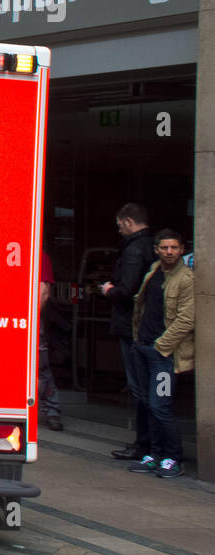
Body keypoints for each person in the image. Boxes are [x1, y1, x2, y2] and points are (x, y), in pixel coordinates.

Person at [127, 230, 194, 479]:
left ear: (181, 249)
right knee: (147, 403)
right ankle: (154, 456)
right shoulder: (154, 270)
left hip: (162, 356)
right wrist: (139, 341)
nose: (169, 252)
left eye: (174, 248)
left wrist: (161, 345)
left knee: (160, 405)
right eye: (164, 248)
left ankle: (174, 458)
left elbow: (187, 319)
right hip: (142, 349)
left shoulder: (186, 279)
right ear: (157, 249)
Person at [99, 203, 153, 460]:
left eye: (120, 225)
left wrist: (109, 290)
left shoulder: (133, 250)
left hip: (132, 325)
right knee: (146, 386)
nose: (119, 230)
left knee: (139, 386)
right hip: (145, 325)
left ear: (129, 222)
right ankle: (149, 444)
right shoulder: (150, 246)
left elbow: (128, 289)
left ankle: (145, 445)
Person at [39, 249, 62, 430]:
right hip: (24, 321)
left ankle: (52, 410)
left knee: (41, 366)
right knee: (41, 367)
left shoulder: (39, 254)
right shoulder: (40, 254)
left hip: (24, 320)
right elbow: (43, 290)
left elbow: (43, 291)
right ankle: (51, 410)